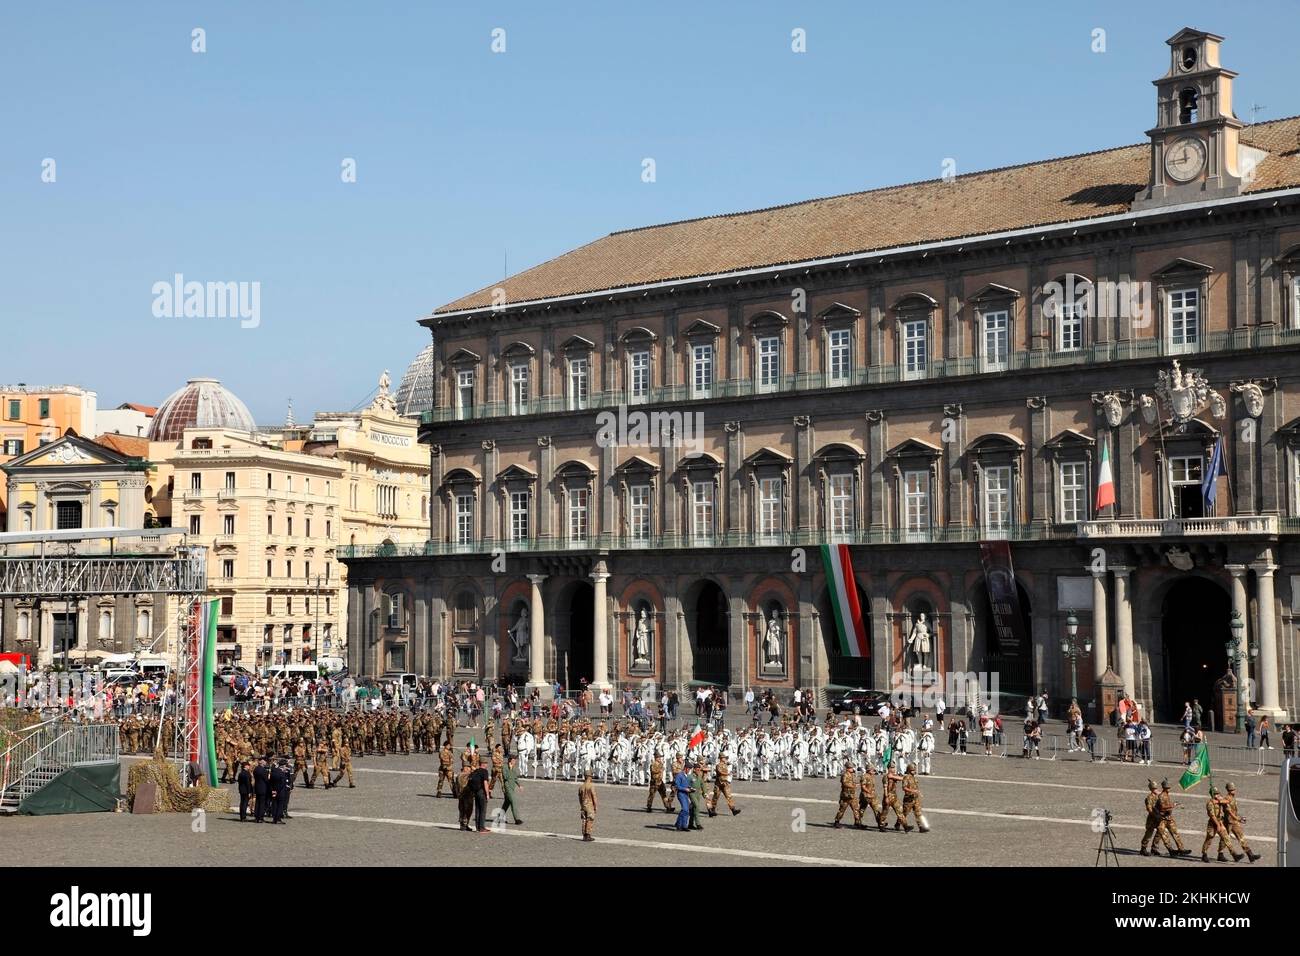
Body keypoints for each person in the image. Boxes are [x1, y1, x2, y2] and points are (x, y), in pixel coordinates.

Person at [832, 763, 863, 829]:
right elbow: (845, 783)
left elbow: (853, 782)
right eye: (851, 768)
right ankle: (836, 822)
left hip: (852, 795)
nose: (852, 769)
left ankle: (857, 822)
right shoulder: (845, 775)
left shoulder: (852, 774)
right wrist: (854, 786)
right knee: (842, 809)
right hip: (846, 795)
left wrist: (857, 784)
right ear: (848, 768)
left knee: (856, 809)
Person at [500, 753, 523, 826]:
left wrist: (519, 785)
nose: (515, 761)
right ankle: (517, 819)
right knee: (513, 801)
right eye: (514, 760)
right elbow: (506, 777)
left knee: (507, 803)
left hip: (512, 787)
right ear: (510, 760)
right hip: (507, 787)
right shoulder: (505, 767)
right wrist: (510, 769)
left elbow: (515, 778)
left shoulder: (513, 767)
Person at [468, 757, 490, 833]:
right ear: (483, 764)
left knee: (477, 809)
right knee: (483, 810)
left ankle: (477, 827)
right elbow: (485, 783)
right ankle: (482, 827)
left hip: (475, 792)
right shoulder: (484, 771)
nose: (487, 764)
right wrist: (487, 794)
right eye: (486, 763)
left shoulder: (476, 771)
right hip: (482, 792)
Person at [578, 771, 598, 842]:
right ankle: (588, 834)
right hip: (590, 805)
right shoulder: (591, 786)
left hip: (583, 805)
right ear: (589, 777)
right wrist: (595, 806)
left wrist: (581, 805)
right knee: (590, 820)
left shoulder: (581, 787)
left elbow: (579, 798)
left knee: (584, 820)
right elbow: (594, 797)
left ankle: (584, 835)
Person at [673, 764, 693, 832]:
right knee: (685, 809)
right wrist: (685, 789)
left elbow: (687, 784)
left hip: (686, 794)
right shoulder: (679, 775)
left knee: (687, 810)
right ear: (686, 768)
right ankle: (679, 825)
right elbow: (677, 786)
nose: (689, 771)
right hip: (681, 794)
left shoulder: (686, 776)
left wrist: (690, 788)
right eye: (689, 769)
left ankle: (684, 825)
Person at [253, 757, 271, 823]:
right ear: (262, 762)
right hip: (263, 788)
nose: (266, 763)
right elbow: (266, 780)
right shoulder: (263, 771)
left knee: (257, 803)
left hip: (257, 787)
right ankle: (260, 817)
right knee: (262, 803)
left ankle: (256, 816)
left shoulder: (256, 769)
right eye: (265, 761)